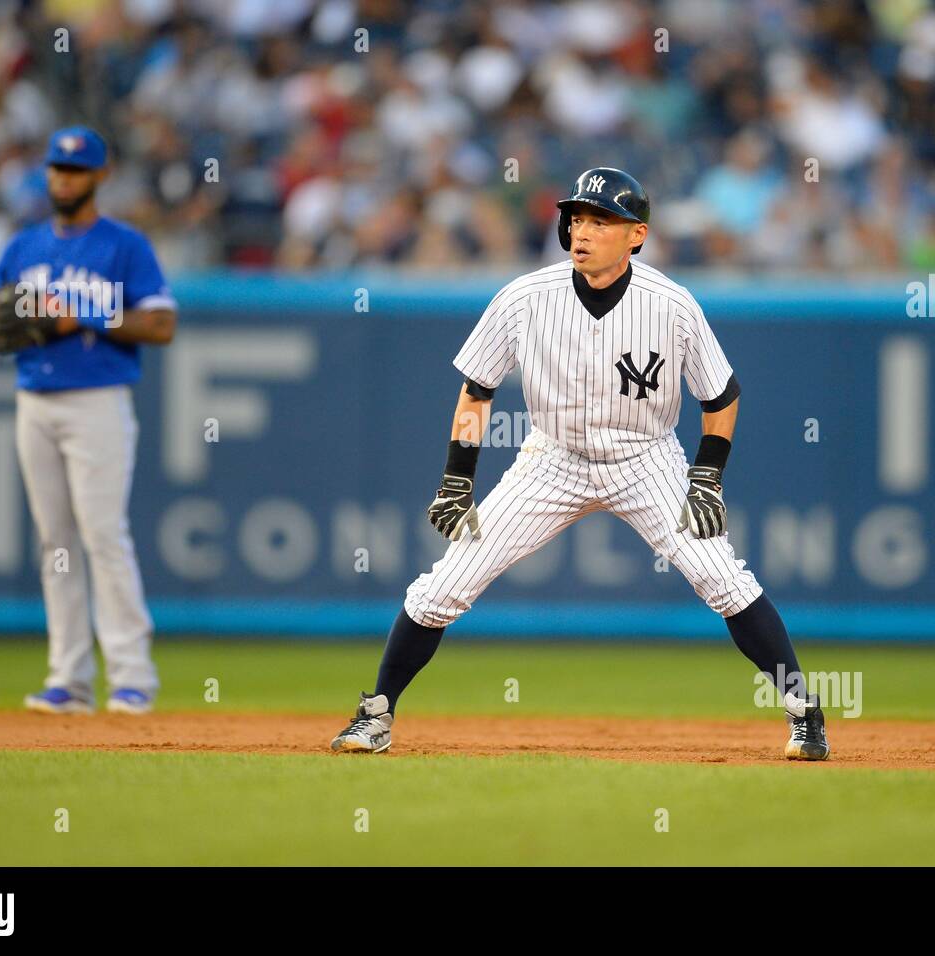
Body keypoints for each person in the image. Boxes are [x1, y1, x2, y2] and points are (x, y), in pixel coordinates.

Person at [331, 167, 830, 760]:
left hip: (645, 461)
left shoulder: (670, 305)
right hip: (551, 460)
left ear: (637, 234)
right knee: (445, 584)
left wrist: (706, 477)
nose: (582, 230)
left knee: (722, 577)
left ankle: (805, 711)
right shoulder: (524, 297)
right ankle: (376, 713)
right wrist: (456, 480)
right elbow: (477, 390)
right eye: (577, 218)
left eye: (601, 220)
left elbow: (720, 398)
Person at [0, 126, 178, 715]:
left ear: (99, 175)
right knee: (54, 542)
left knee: (102, 534)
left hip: (98, 399)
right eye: (57, 170)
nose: (64, 179)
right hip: (33, 400)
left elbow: (161, 325)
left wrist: (83, 316)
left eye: (76, 170)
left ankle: (132, 676)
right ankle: (69, 678)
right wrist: (32, 320)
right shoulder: (22, 247)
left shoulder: (124, 246)